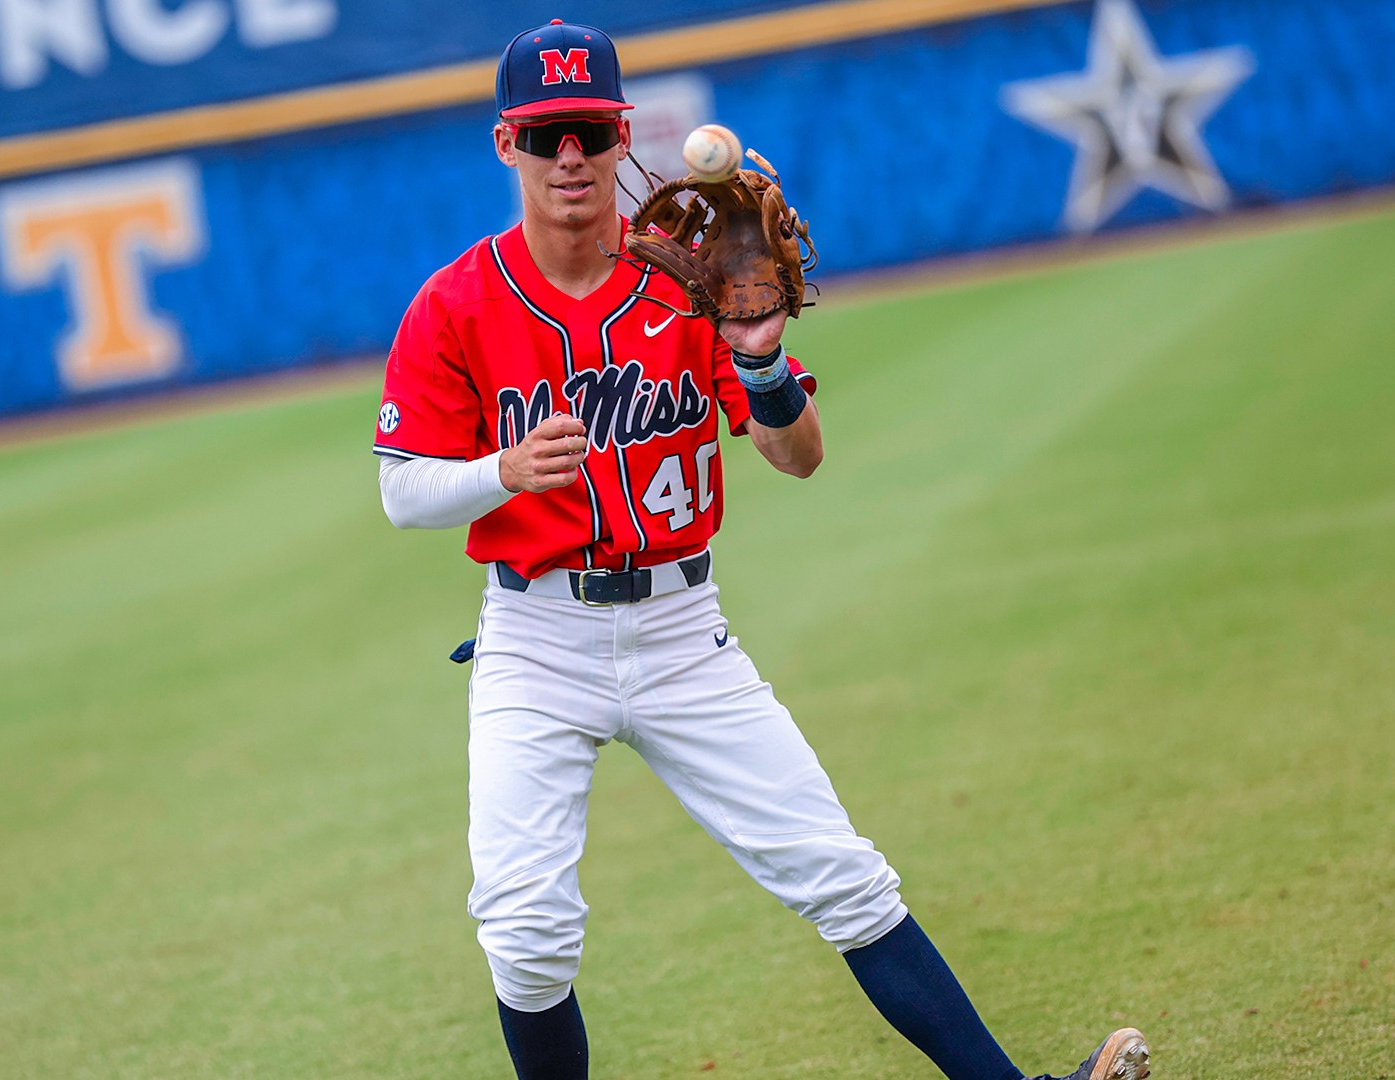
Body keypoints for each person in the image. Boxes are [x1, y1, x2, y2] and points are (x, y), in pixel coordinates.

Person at [371, 19, 1151, 1080]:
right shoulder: (455, 305)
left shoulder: (684, 279)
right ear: (506, 143)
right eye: (547, 134)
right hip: (535, 637)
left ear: (618, 138)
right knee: (527, 934)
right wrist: (495, 475)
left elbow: (799, 456)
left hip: (683, 629)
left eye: (590, 134)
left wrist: (762, 355)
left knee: (843, 877)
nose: (571, 158)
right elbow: (401, 492)